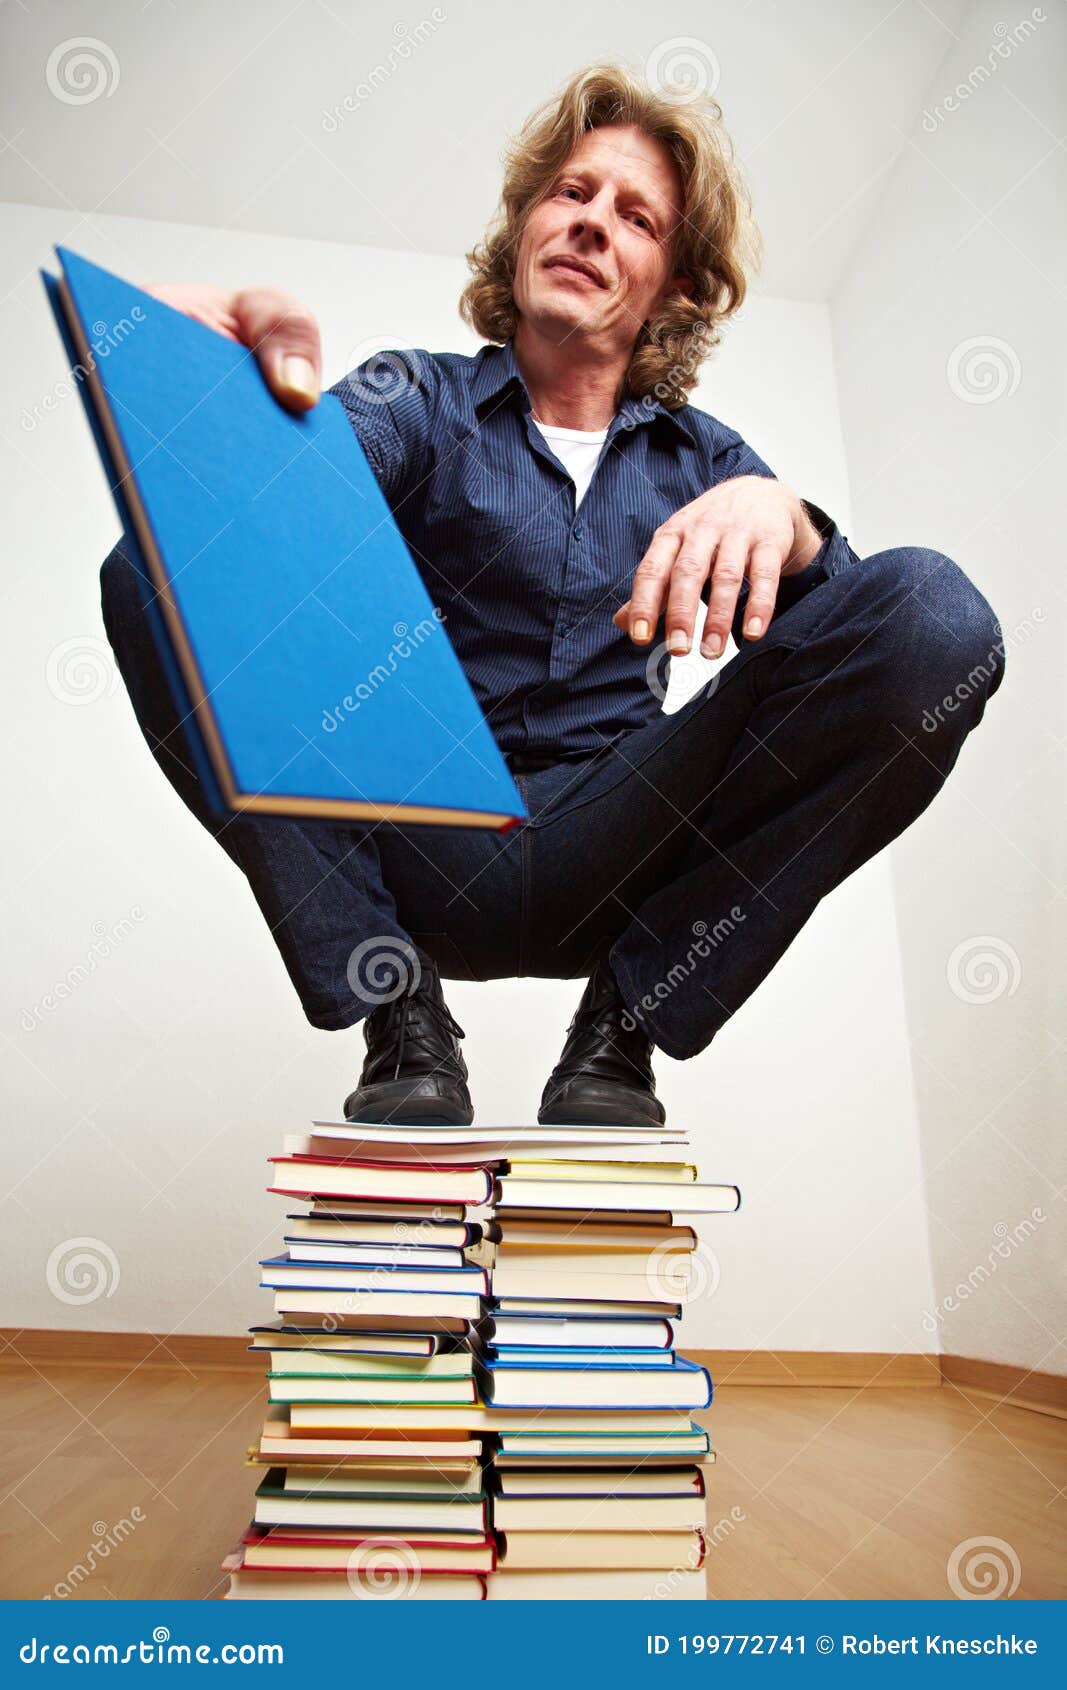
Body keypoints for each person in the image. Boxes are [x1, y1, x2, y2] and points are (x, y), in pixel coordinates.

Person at [99, 64, 1004, 1130]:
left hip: (618, 840)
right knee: (159, 564)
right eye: (569, 194)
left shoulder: (712, 462)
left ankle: (623, 1025)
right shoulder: (418, 397)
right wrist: (213, 418)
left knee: (938, 617)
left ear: (669, 285)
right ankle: (395, 1004)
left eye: (632, 217)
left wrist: (793, 524)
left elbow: (877, 667)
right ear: (525, 225)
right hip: (414, 827)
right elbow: (284, 507)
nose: (588, 225)